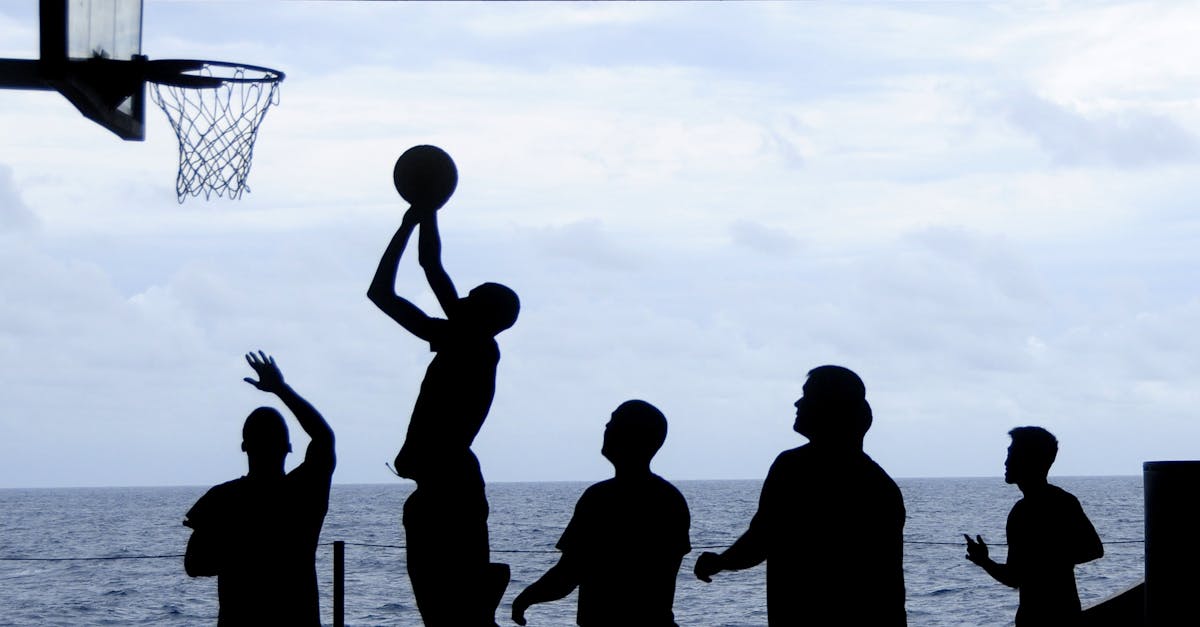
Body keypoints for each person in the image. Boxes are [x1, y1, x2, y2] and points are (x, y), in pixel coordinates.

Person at [368, 197, 519, 625]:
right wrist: (412, 220)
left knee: (450, 607)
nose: (462, 299)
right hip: (444, 485)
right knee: (442, 607)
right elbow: (382, 293)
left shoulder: (475, 346)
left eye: (471, 297)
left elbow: (431, 266)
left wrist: (423, 210)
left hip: (451, 487)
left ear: (484, 314)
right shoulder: (460, 340)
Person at [693, 365, 907, 625]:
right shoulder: (881, 486)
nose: (798, 403)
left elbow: (761, 540)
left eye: (807, 396)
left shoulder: (792, 469)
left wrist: (721, 561)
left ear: (829, 407)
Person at [183, 351, 336, 626]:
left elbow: (195, 565)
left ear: (244, 447)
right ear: (288, 448)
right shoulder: (304, 491)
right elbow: (324, 437)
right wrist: (280, 388)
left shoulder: (221, 498)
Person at [511, 400, 691, 626]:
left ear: (631, 436)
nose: (606, 427)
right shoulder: (670, 499)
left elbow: (567, 574)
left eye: (614, 422)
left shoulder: (600, 498)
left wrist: (524, 599)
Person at [964, 426, 1103, 627]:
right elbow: (1094, 549)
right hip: (1065, 613)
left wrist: (985, 561)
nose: (1006, 462)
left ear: (1027, 460)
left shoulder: (1022, 513)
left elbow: (1013, 578)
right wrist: (985, 561)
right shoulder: (1064, 501)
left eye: (1011, 455)